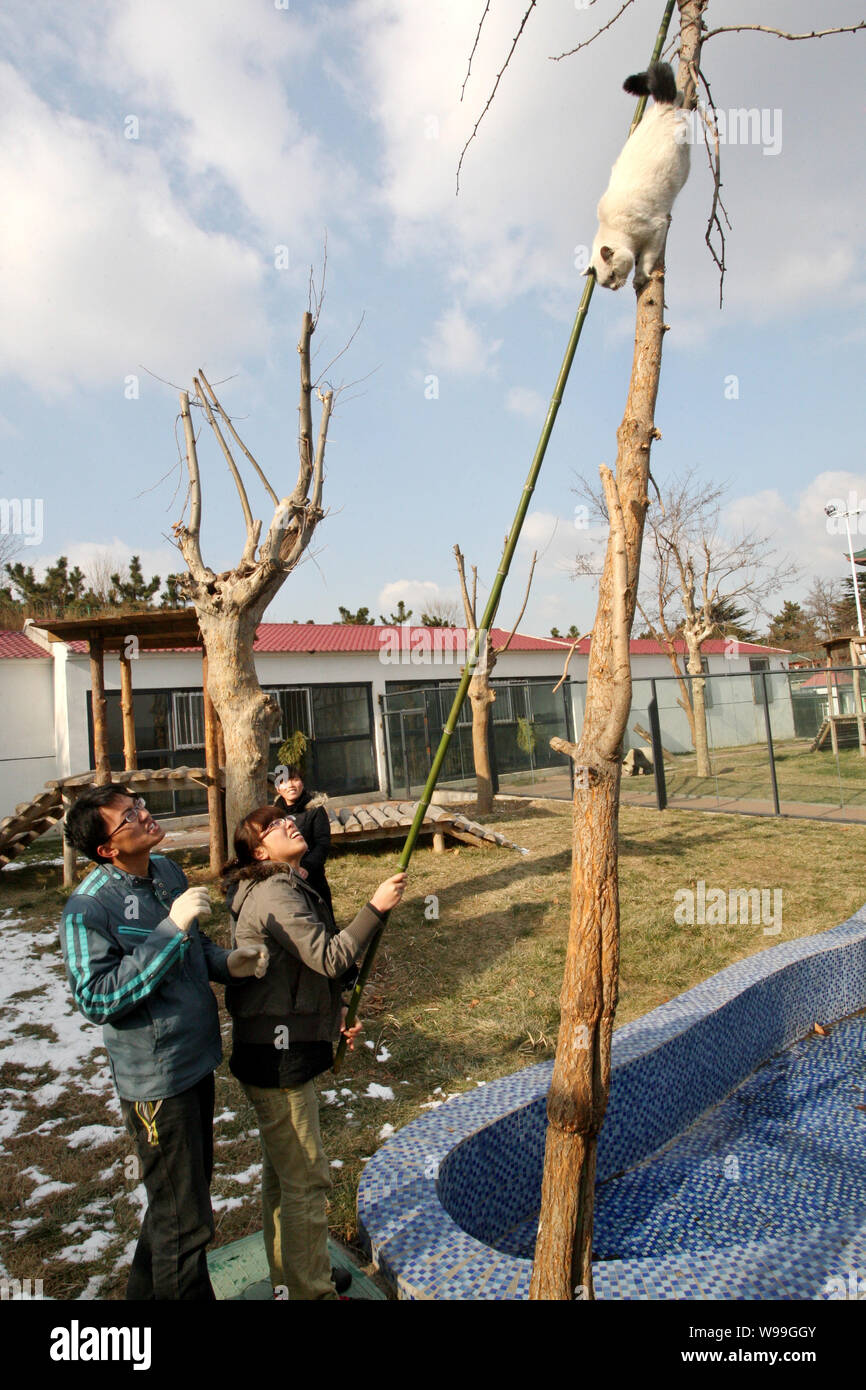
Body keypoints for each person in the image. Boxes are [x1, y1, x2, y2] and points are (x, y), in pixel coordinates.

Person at [60, 784, 267, 1301]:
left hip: (194, 1060)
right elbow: (98, 998)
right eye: (130, 816)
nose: (146, 815)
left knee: (176, 1202)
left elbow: (191, 948)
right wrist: (171, 928)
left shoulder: (166, 873)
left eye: (140, 807)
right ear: (108, 849)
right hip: (156, 1081)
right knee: (186, 1221)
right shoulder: (89, 909)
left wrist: (226, 963)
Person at [222, 804, 406, 1300]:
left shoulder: (284, 882)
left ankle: (296, 1277)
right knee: (305, 1177)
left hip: (277, 1042)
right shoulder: (276, 891)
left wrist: (336, 1011)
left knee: (284, 1178)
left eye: (287, 819)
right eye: (274, 826)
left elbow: (298, 970)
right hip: (276, 1054)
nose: (289, 824)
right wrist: (376, 908)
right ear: (260, 852)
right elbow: (330, 956)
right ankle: (313, 1293)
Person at [272, 765, 333, 914]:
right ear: (278, 788)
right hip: (284, 876)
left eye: (295, 779)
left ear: (302, 783)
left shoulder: (315, 809)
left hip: (312, 876)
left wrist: (306, 867)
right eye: (284, 781)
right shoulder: (274, 814)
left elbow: (323, 844)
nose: (291, 785)